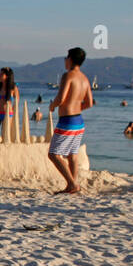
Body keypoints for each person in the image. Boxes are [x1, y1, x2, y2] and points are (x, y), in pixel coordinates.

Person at [48, 46, 94, 195]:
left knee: (54, 154)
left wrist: (52, 106)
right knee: (72, 155)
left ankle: (72, 183)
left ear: (70, 59)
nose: (65, 61)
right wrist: (76, 107)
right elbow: (89, 103)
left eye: (66, 58)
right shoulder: (85, 78)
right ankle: (71, 187)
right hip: (78, 121)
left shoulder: (68, 76)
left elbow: (61, 98)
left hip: (67, 120)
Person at [0, 68, 17, 140]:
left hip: (8, 114)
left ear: (7, 76)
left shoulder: (13, 88)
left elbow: (17, 100)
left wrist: (13, 109)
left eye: (1, 74)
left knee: (5, 135)